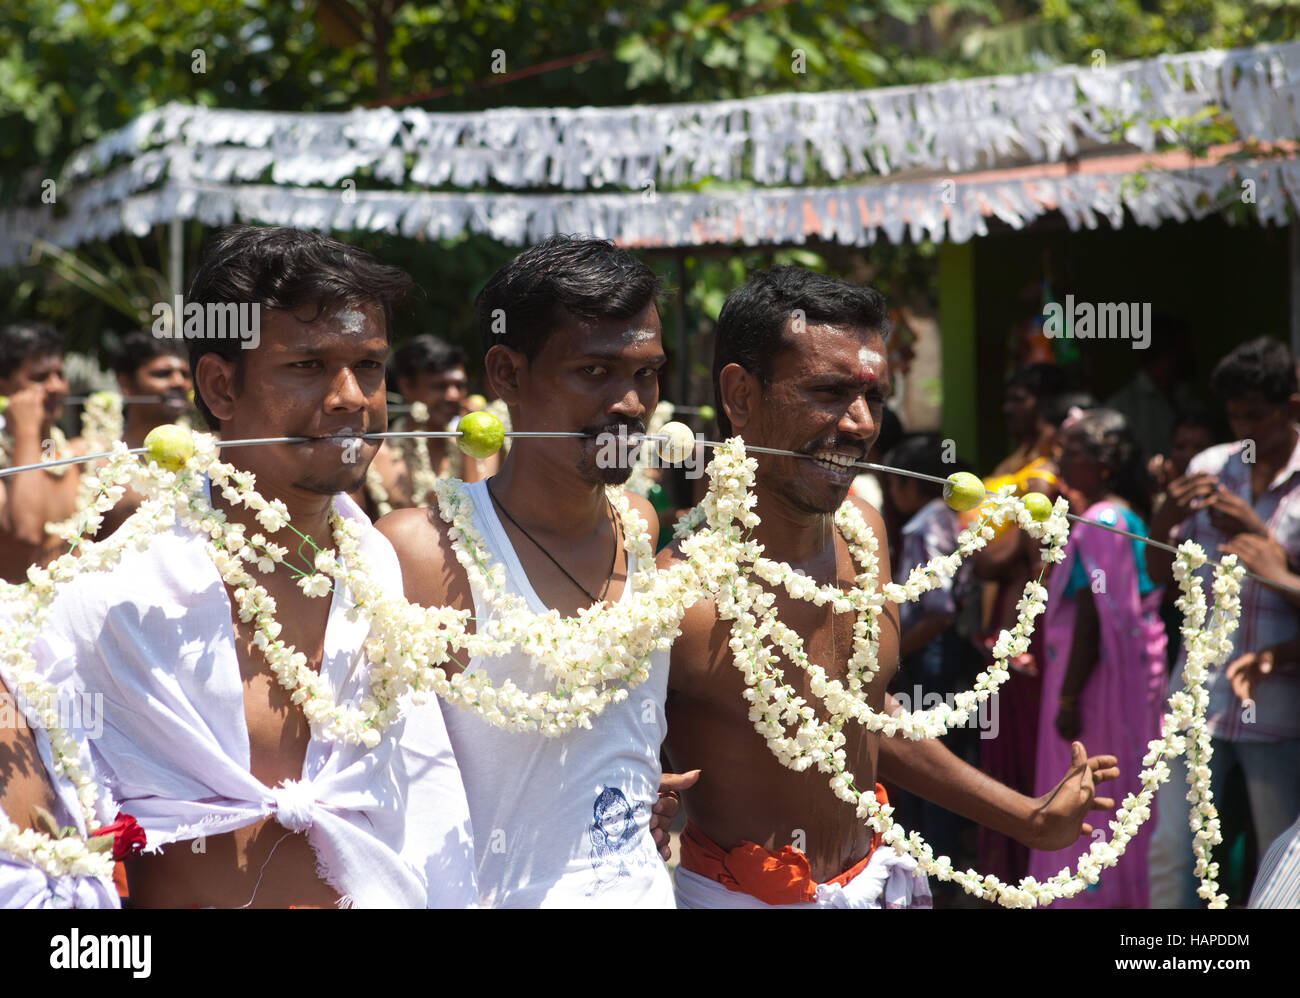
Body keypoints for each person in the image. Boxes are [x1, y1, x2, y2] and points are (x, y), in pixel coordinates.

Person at [33, 226, 477, 908]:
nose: (350, 398)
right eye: (307, 367)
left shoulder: (377, 569)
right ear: (219, 386)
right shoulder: (121, 596)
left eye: (369, 365)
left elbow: (421, 795)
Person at [661, 267, 1121, 909]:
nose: (858, 423)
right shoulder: (676, 595)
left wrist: (1030, 818)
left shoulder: (864, 535)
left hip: (882, 886)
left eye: (872, 398)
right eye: (825, 391)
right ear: (740, 396)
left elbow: (867, 721)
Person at [377, 235, 677, 907]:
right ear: (507, 376)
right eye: (595, 373)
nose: (631, 404)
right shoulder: (423, 554)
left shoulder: (639, 525)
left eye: (646, 374)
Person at [1145, 336, 1300, 907]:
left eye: (1257, 415)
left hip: (1280, 703)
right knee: (1176, 852)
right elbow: (1157, 571)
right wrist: (1165, 514)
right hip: (1199, 694)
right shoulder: (1213, 467)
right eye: (1235, 417)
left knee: (1281, 860)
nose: (1246, 430)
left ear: (1293, 406)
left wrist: (1264, 546)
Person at [1028, 409, 1166, 907]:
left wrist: (1067, 698)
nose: (1062, 460)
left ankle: (1090, 896)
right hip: (1119, 678)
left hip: (1095, 684)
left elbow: (1093, 616)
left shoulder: (1104, 520)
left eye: (1075, 451)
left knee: (1092, 786)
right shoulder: (1119, 514)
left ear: (1105, 463)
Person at [0, 321, 83, 582]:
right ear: (3, 387)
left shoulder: (78, 454)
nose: (56, 386)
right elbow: (27, 532)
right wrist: (26, 431)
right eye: (39, 378)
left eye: (60, 374)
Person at [93, 331, 194, 536]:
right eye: (162, 374)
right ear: (126, 384)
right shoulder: (97, 463)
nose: (178, 382)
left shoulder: (210, 454)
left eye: (185, 374)